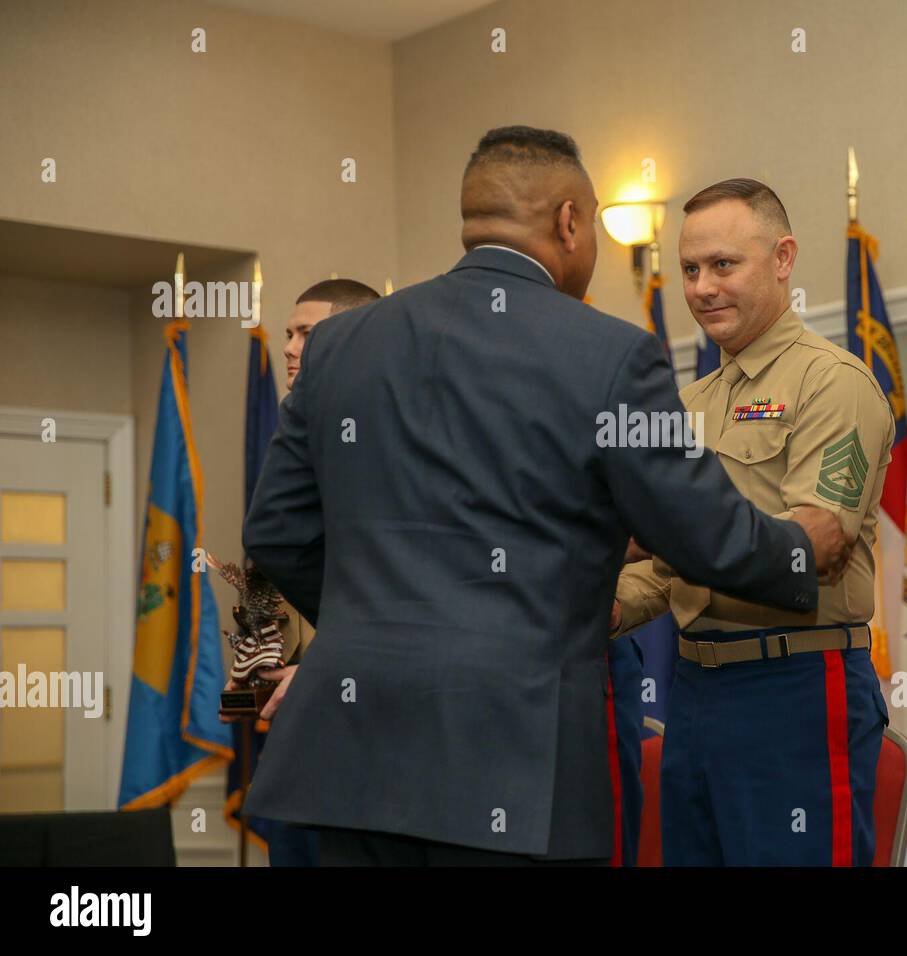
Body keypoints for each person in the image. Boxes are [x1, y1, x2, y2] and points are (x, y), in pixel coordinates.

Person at [242, 126, 851, 866]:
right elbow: (700, 531)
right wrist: (796, 551)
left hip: (341, 764)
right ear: (569, 221)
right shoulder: (608, 354)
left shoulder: (341, 346)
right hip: (511, 766)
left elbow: (275, 531)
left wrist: (381, 619)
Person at [614, 179, 893, 866]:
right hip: (696, 691)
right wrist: (562, 609)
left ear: (783, 257)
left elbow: (813, 544)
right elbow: (662, 571)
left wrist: (660, 534)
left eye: (723, 264)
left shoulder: (834, 382)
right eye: (689, 269)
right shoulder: (685, 403)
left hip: (795, 686)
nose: (703, 287)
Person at [220, 278, 380, 867]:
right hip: (302, 715)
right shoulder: (300, 434)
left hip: (367, 710)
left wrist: (338, 649)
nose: (289, 347)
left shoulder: (381, 439)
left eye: (306, 334)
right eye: (287, 333)